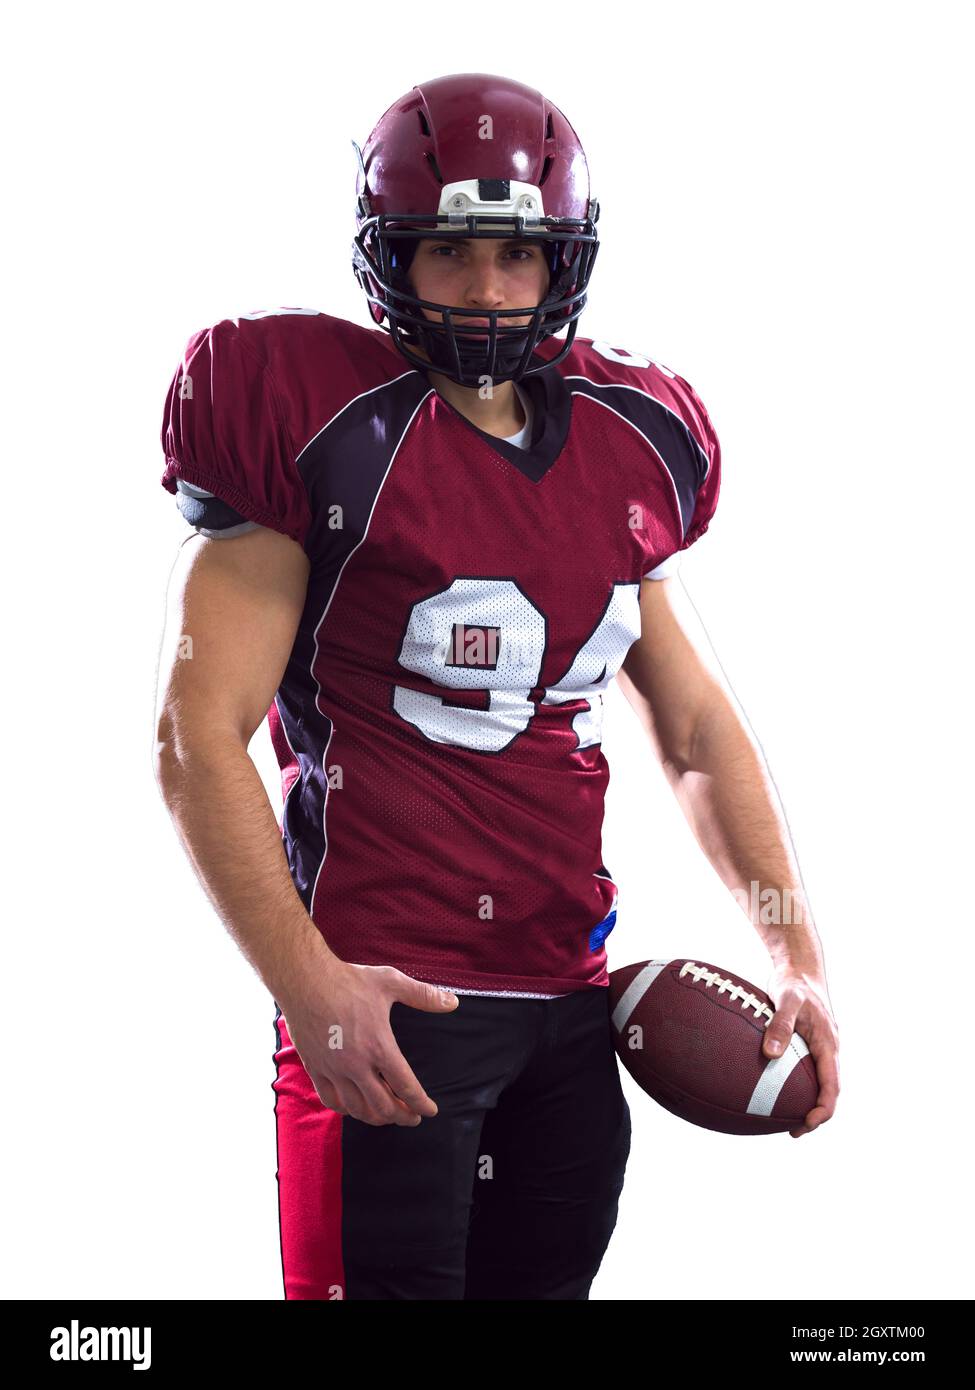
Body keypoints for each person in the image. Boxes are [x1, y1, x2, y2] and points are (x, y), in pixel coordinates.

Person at [153, 72, 839, 1301]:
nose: (484, 290)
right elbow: (196, 737)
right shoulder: (319, 422)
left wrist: (798, 954)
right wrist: (307, 986)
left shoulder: (632, 442)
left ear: (562, 262)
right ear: (390, 259)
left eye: (515, 256)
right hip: (384, 995)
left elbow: (688, 728)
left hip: (568, 1011)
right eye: (451, 253)